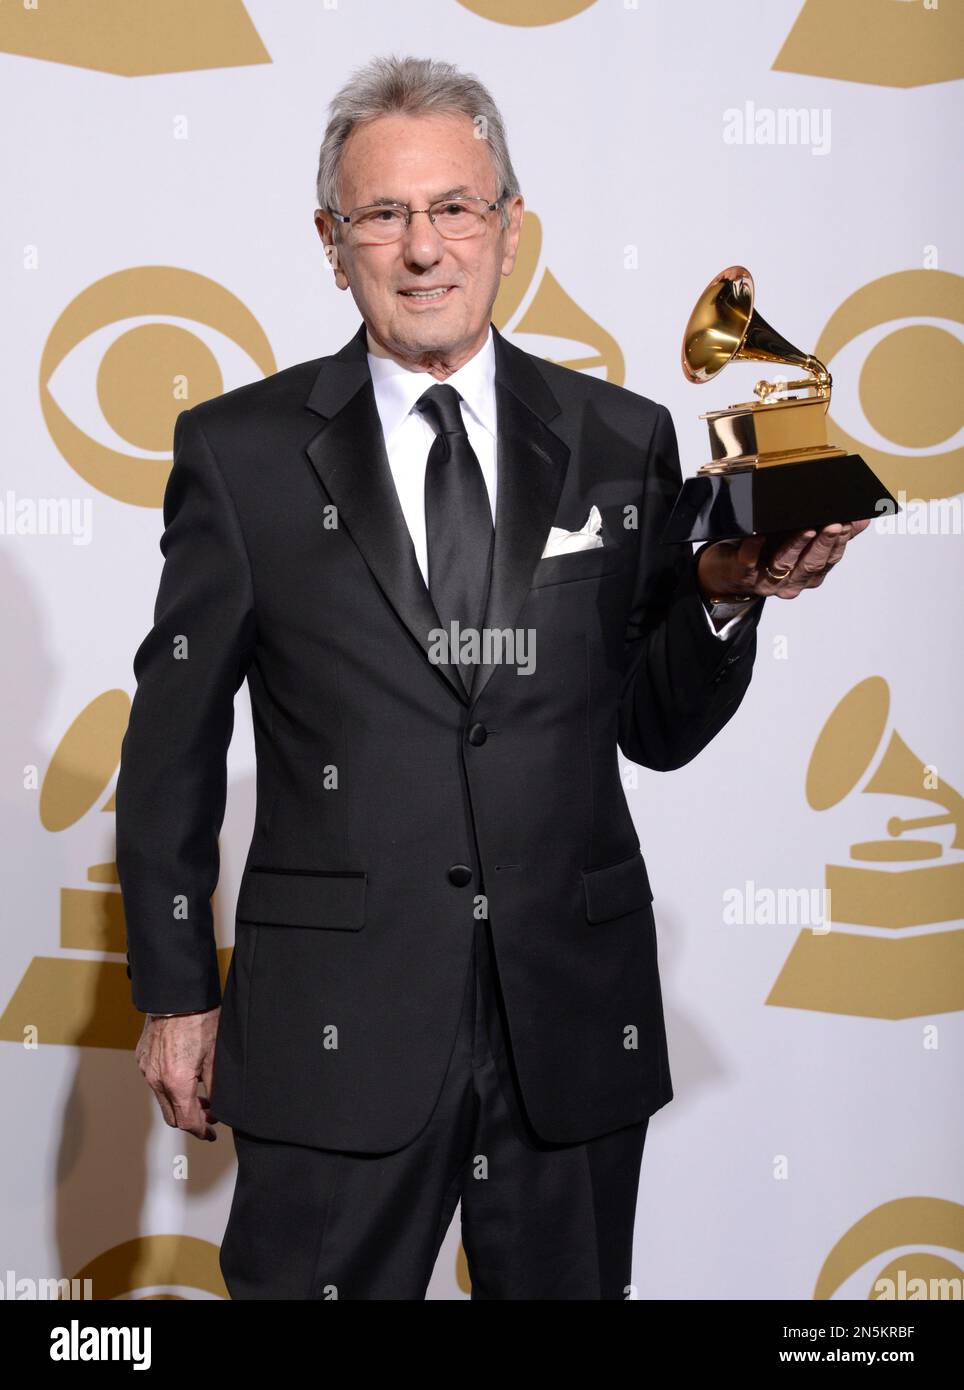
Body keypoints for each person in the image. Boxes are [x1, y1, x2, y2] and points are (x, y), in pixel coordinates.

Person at [115, 55, 868, 1300]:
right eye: (383, 215)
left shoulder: (623, 439)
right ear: (330, 239)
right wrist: (178, 988)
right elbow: (173, 742)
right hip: (332, 1033)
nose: (424, 248)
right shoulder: (239, 455)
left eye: (457, 207)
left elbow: (653, 727)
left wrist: (729, 594)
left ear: (510, 227)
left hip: (567, 1024)